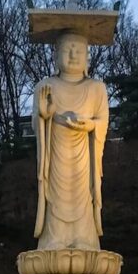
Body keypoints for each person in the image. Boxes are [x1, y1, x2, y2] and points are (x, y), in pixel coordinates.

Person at [32, 31, 109, 251]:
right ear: (56, 56)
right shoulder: (45, 86)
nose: (74, 55)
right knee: (55, 194)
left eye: (79, 50)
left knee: (83, 194)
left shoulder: (96, 88)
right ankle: (54, 238)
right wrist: (44, 116)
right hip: (56, 151)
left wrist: (91, 125)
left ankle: (84, 237)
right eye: (67, 50)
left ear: (87, 57)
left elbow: (103, 121)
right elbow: (36, 123)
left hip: (84, 153)